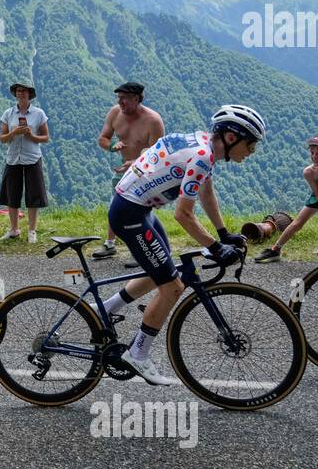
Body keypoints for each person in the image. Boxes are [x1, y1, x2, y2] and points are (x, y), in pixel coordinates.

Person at [95, 105, 265, 385]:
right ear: (232, 138)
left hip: (138, 208)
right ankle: (137, 354)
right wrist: (214, 247)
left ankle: (105, 307)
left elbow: (206, 192)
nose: (252, 151)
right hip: (130, 213)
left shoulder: (204, 148)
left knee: (164, 269)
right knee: (172, 286)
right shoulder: (202, 157)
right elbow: (183, 215)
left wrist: (223, 234)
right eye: (251, 144)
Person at [94, 82, 166, 260]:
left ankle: (145, 250)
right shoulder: (115, 113)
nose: (121, 102)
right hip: (122, 169)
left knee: (141, 211)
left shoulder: (153, 120)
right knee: (114, 207)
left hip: (145, 172)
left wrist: (136, 163)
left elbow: (158, 155)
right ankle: (110, 245)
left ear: (137, 99)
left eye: (124, 98)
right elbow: (102, 139)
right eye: (119, 98)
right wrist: (112, 146)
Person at [0, 82, 50, 244]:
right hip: (13, 158)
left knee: (33, 195)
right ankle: (14, 229)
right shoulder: (8, 113)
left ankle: (32, 230)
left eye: (24, 91)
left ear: (29, 94)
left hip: (32, 157)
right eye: (18, 91)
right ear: (15, 94)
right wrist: (14, 132)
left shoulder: (38, 113)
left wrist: (32, 136)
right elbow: (2, 138)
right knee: (11, 194)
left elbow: (46, 137)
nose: (20, 93)